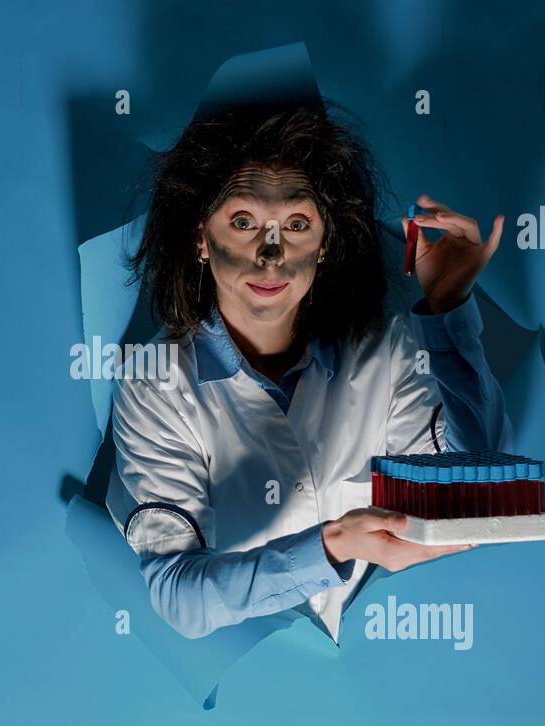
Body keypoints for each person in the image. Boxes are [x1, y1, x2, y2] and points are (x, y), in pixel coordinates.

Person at [104, 98, 514, 642]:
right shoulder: (154, 385)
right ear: (201, 237)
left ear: (324, 245)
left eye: (296, 223)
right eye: (244, 221)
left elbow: (476, 494)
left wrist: (447, 311)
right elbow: (180, 596)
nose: (271, 254)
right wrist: (332, 545)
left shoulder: (388, 349)